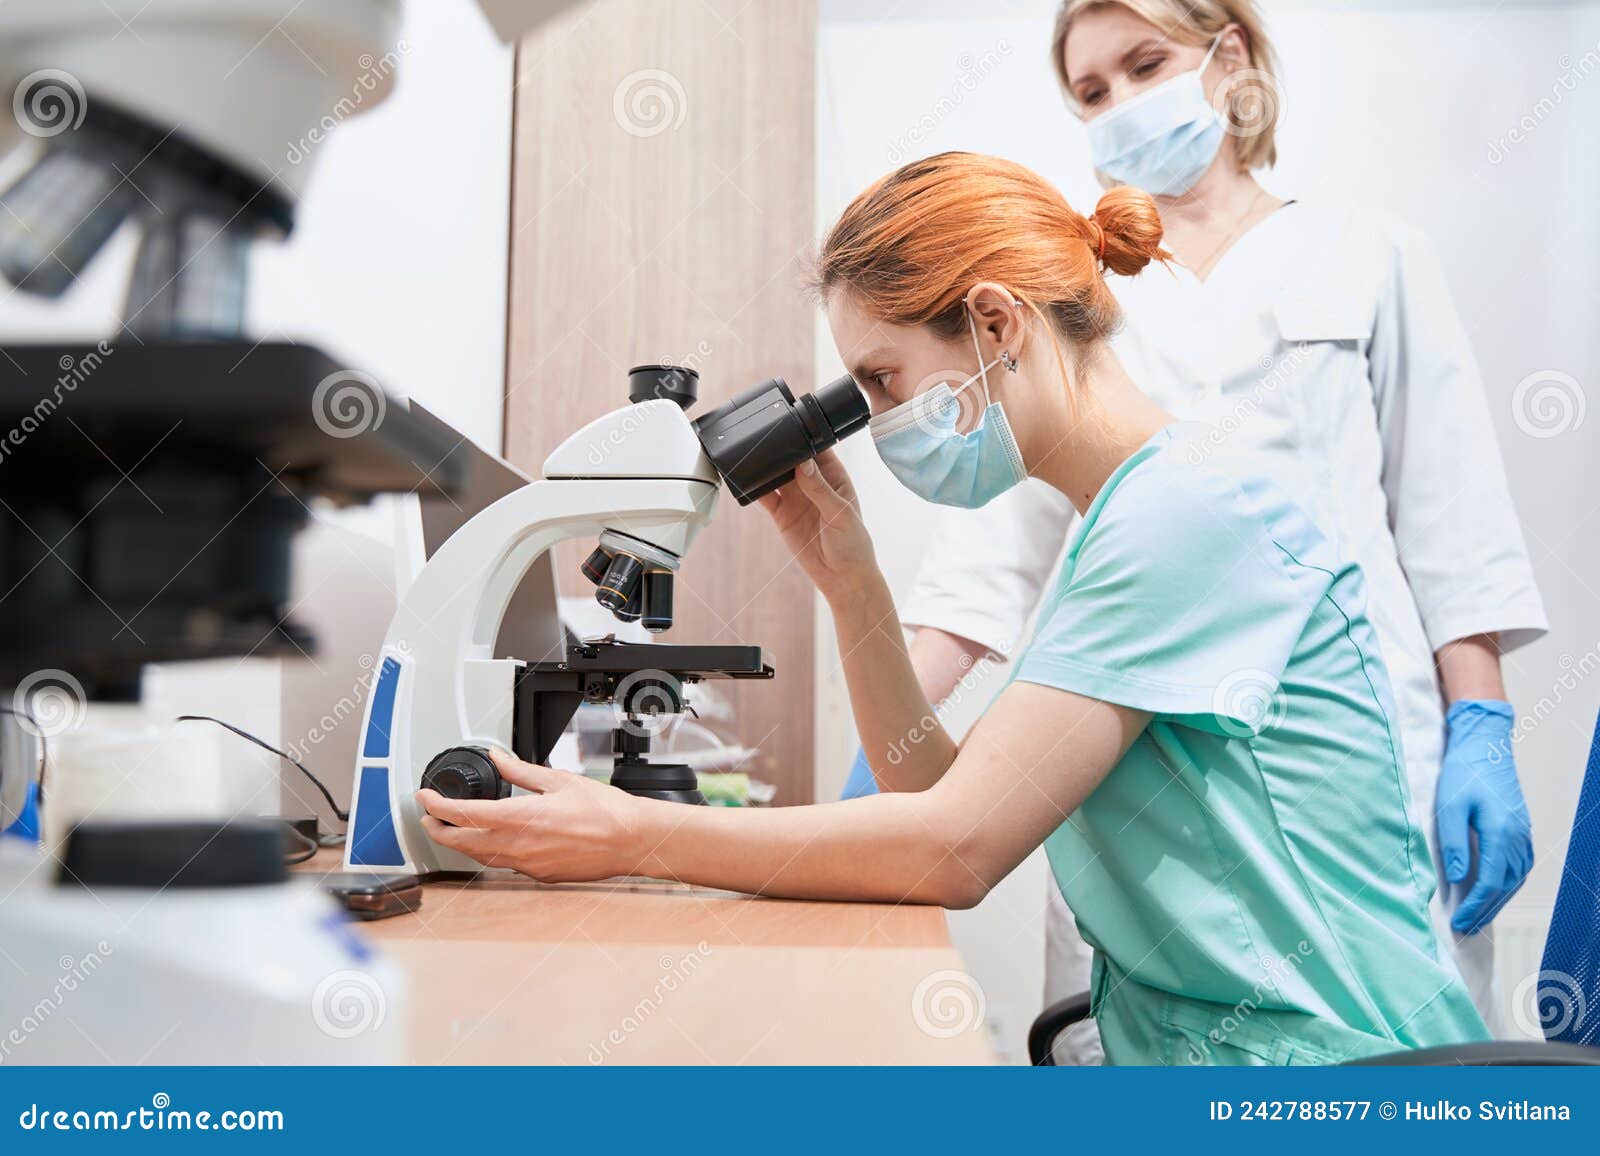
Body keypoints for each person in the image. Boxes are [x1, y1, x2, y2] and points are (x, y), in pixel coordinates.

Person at [417, 151, 1491, 1065]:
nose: (877, 420)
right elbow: (937, 789)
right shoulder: (1119, 519)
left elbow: (956, 849)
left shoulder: (1187, 512)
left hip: (1331, 1072)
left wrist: (633, 834)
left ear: (993, 321)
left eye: (882, 380)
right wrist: (852, 584)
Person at [845, 0, 1546, 1054]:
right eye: (1091, 91)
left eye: (1144, 65)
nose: (1120, 102)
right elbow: (992, 554)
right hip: (1138, 756)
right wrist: (892, 761)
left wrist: (1480, 725)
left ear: (1231, 56)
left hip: (1343, 747)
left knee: (1374, 1052)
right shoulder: (1070, 295)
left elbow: (1448, 519)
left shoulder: (1367, 253)